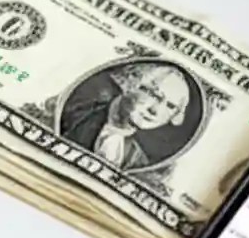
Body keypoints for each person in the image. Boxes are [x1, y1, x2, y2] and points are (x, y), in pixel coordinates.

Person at [60, 63, 191, 171]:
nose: (154, 110)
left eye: (171, 106)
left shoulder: (137, 159)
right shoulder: (78, 108)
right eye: (153, 94)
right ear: (131, 84)